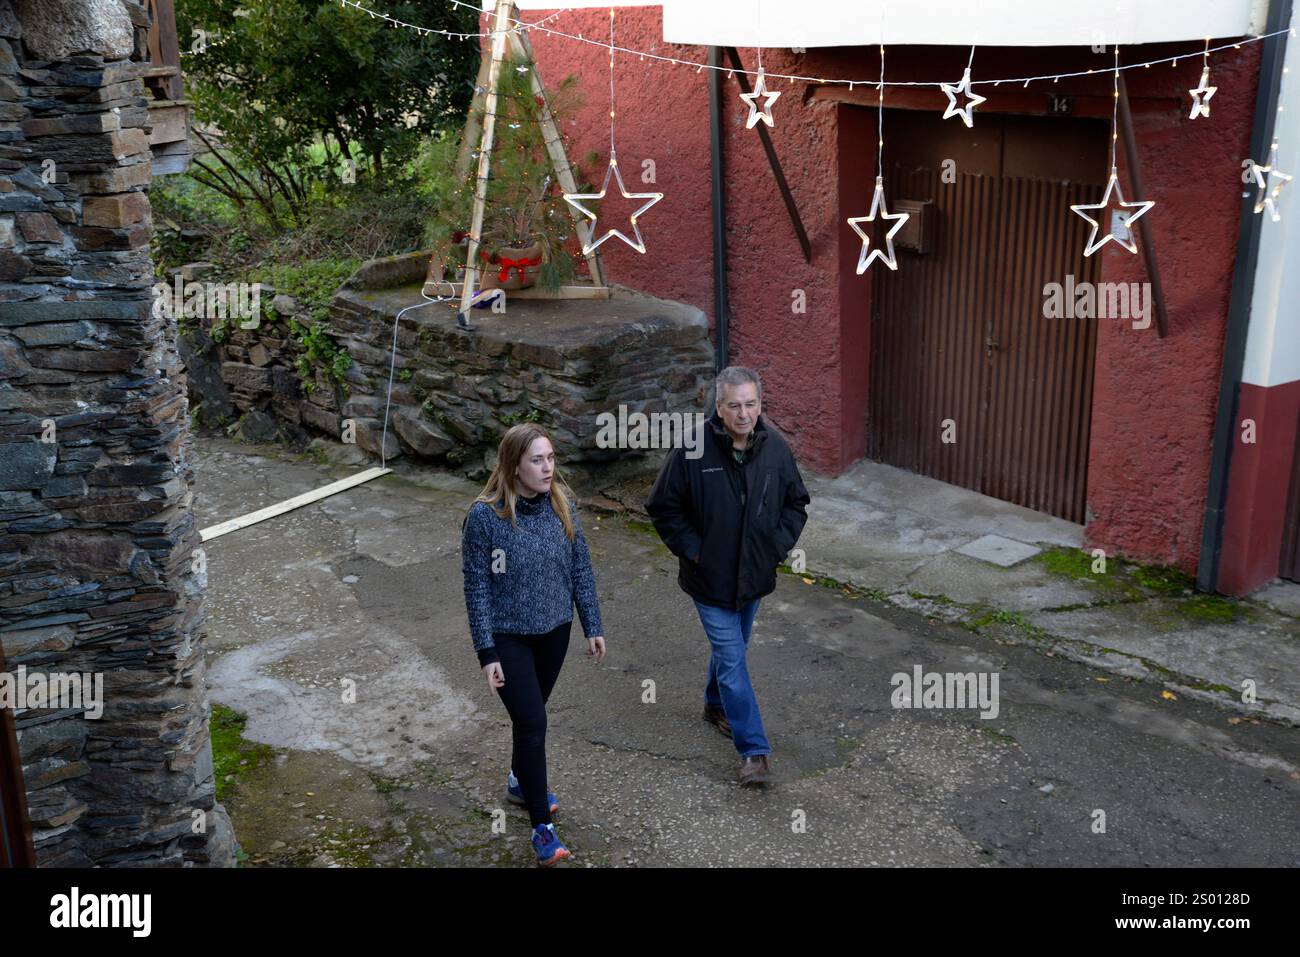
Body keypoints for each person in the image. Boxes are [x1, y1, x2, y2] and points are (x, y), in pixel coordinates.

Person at [645, 366, 810, 786]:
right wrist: (697, 552)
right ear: (718, 407)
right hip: (710, 579)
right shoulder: (693, 449)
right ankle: (754, 751)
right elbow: (663, 506)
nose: (743, 414)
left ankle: (714, 704)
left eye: (751, 404)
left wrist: (774, 549)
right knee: (734, 659)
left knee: (733, 650)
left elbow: (796, 503)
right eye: (734, 405)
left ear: (760, 405)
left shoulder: (775, 449)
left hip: (753, 576)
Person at [461, 423, 606, 866]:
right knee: (533, 723)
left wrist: (592, 624)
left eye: (551, 458)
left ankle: (520, 782)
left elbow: (580, 567)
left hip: (554, 632)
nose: (548, 468)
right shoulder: (486, 517)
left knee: (530, 719)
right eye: (537, 460)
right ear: (514, 465)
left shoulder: (564, 505)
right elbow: (477, 587)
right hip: (508, 637)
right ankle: (542, 828)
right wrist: (486, 652)